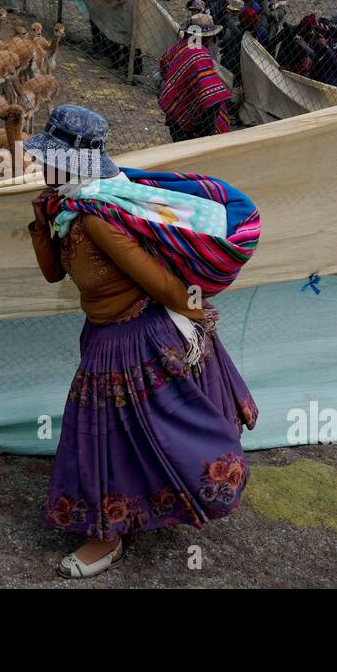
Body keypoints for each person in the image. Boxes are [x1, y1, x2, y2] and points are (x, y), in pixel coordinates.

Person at [24, 104, 259, 578]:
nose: (36, 165)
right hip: (102, 338)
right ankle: (119, 520)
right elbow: (53, 275)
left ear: (70, 164)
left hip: (133, 342)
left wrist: (197, 318)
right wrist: (40, 222)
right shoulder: (66, 210)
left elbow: (163, 285)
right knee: (115, 438)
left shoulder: (97, 219)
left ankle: (105, 539)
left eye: (45, 158)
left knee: (104, 439)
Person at [158, 14, 232, 140]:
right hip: (196, 125)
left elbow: (164, 68)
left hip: (176, 115)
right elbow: (213, 97)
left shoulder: (177, 47)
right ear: (208, 37)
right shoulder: (200, 55)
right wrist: (204, 133)